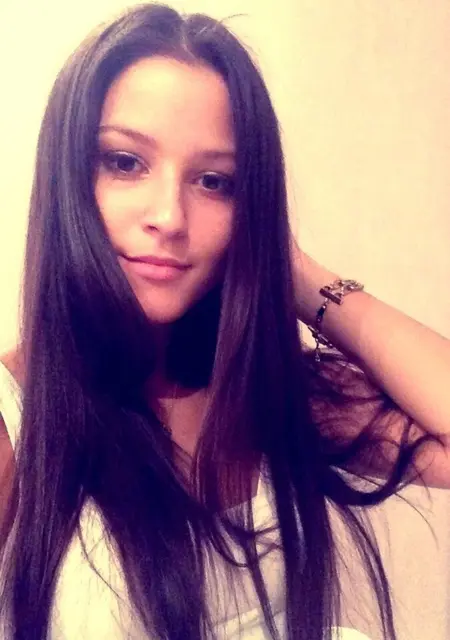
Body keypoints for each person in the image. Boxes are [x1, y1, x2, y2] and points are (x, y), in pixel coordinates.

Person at [0, 3, 448, 639]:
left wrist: (296, 275)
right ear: (67, 176)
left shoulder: (266, 391)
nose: (170, 217)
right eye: (125, 162)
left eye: (214, 181)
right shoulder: (17, 423)